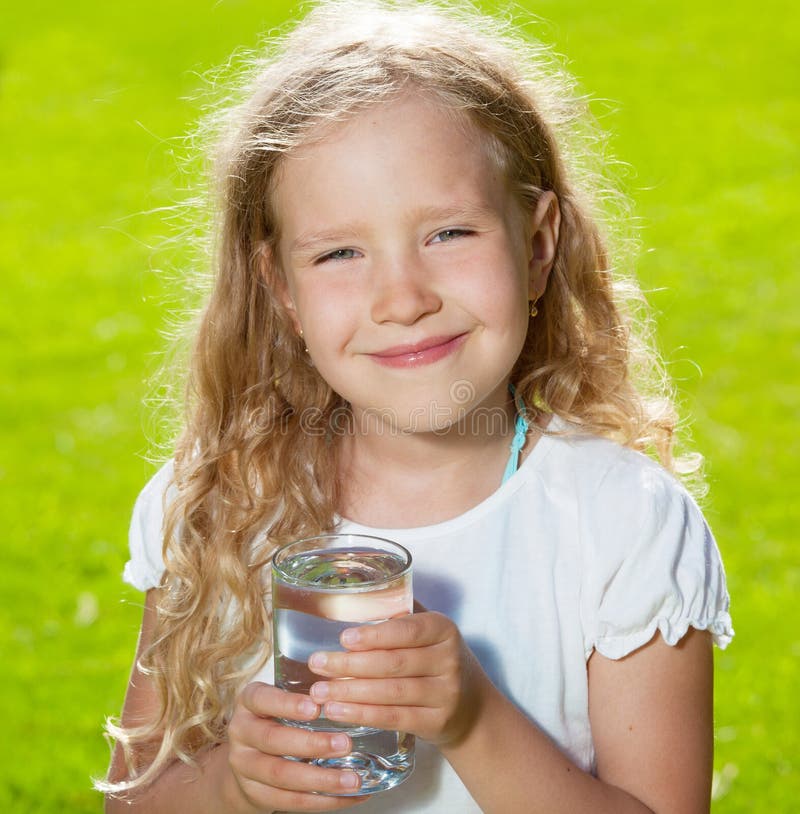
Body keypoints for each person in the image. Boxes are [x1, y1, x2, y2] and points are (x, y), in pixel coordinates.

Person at [98, 1, 733, 811]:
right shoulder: (219, 502)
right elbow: (132, 799)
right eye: (339, 253)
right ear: (281, 291)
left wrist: (470, 717)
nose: (401, 299)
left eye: (449, 234)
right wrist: (231, 785)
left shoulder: (620, 525)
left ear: (537, 246)